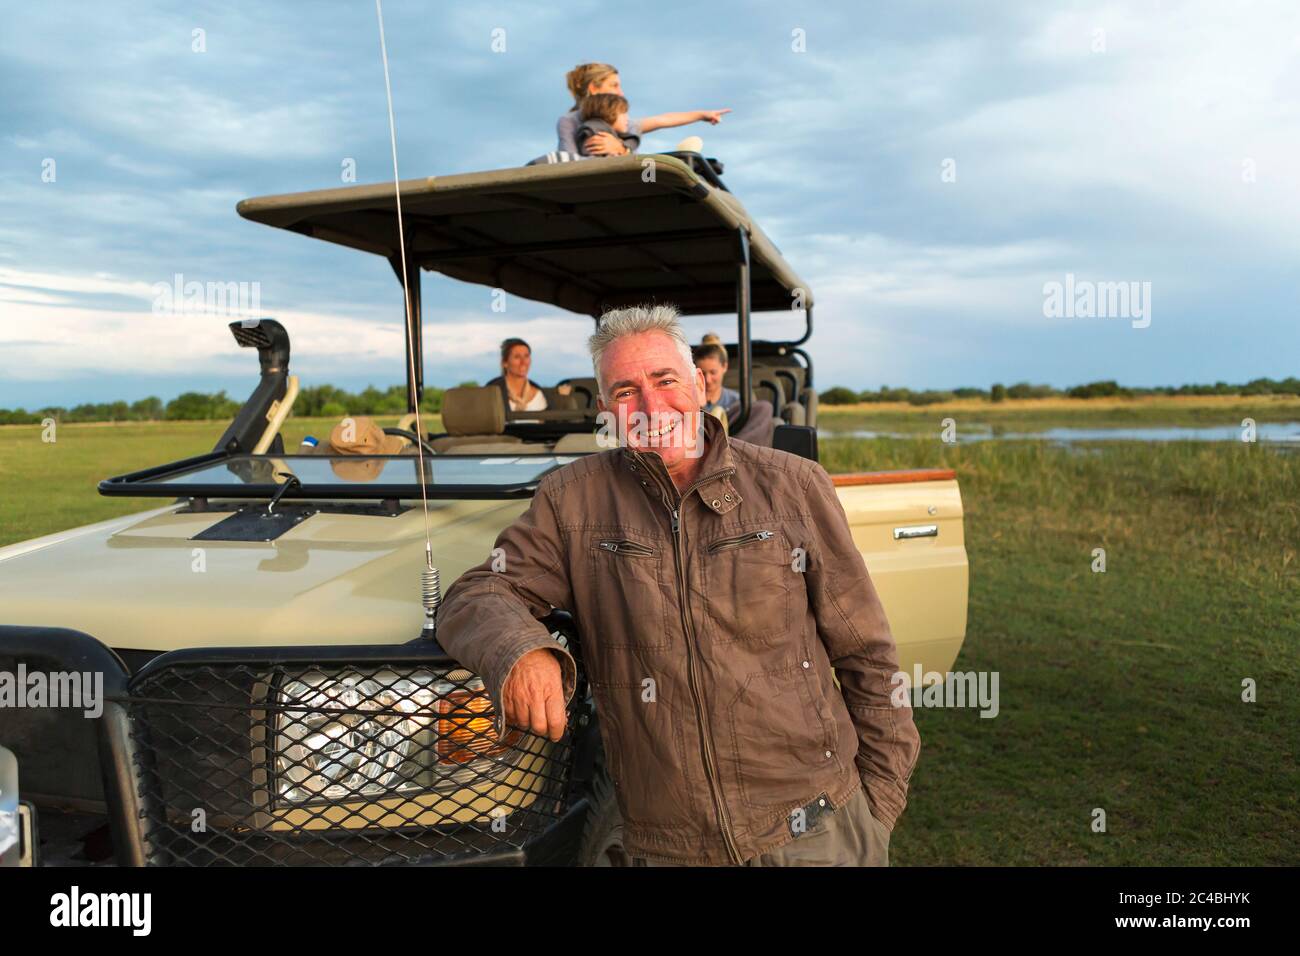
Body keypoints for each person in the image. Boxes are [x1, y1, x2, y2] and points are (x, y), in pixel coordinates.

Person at [436, 304, 919, 867]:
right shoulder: (573, 501)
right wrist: (521, 652)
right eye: (624, 390)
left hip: (816, 829)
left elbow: (870, 656)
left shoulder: (792, 485)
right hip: (668, 847)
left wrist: (878, 807)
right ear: (604, 411)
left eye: (666, 380)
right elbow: (477, 593)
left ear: (699, 383)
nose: (649, 406)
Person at [556, 62, 731, 157]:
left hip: (631, 182)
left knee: (655, 170)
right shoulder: (569, 121)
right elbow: (567, 163)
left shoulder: (623, 123)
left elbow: (662, 120)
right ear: (594, 88)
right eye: (614, 85)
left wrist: (702, 115)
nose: (621, 92)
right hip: (596, 189)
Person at [485, 337, 548, 413]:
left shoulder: (539, 395)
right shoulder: (492, 393)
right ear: (505, 363)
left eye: (526, 356)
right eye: (517, 357)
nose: (523, 362)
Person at [693, 335, 742, 422]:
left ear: (725, 367)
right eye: (703, 373)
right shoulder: (688, 401)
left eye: (713, 372)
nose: (708, 380)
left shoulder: (736, 402)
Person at [574, 94, 640, 157]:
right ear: (608, 112)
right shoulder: (594, 132)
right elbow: (594, 162)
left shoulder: (613, 135)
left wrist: (622, 149)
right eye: (623, 113)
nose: (627, 118)